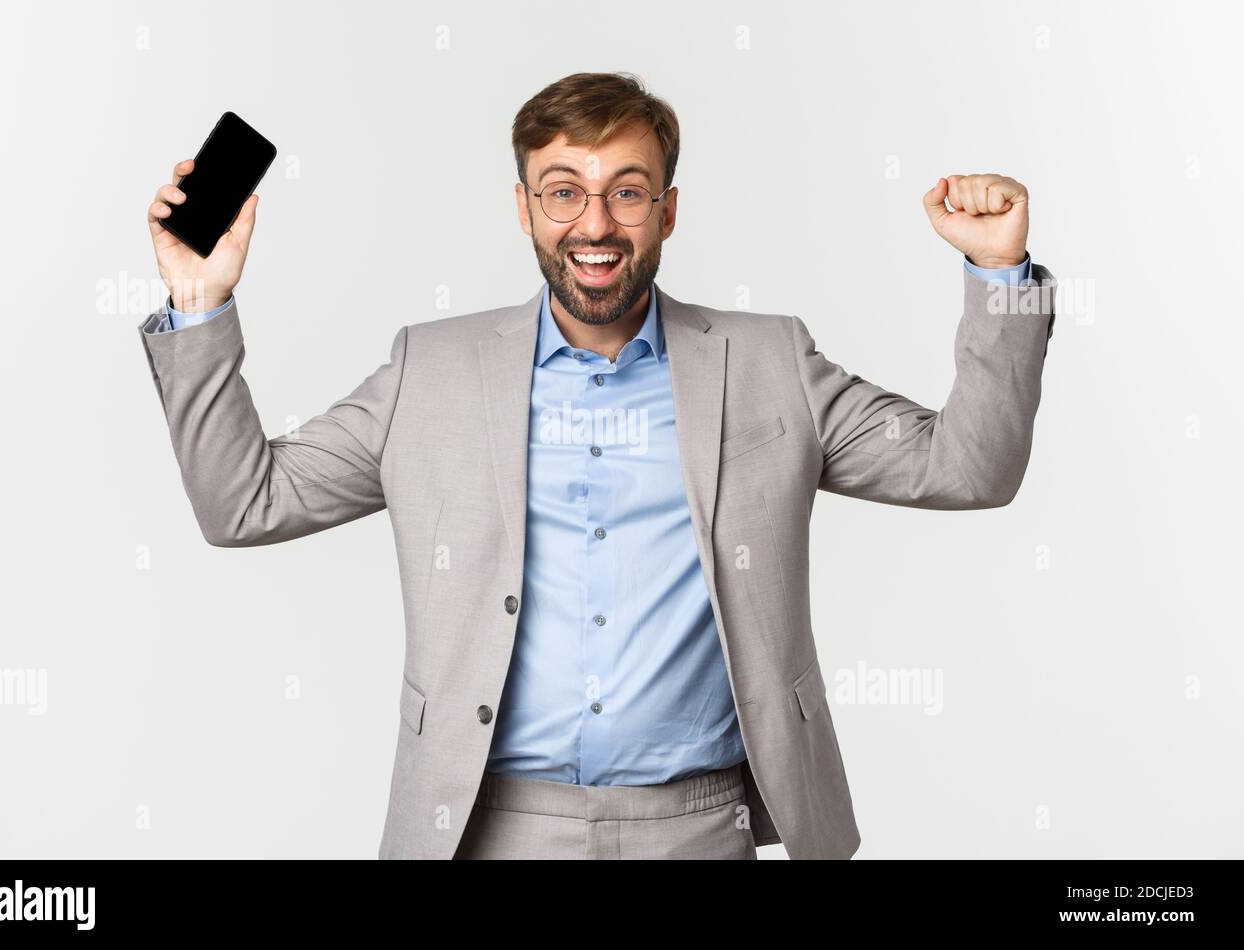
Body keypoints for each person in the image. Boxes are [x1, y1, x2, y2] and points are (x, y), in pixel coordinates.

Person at [139, 72, 1056, 860]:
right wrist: (199, 301)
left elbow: (969, 467)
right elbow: (241, 504)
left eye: (626, 190)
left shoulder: (770, 360)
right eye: (563, 190)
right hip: (493, 827)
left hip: (701, 824)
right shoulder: (430, 369)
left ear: (668, 208)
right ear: (524, 206)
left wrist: (998, 278)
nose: (595, 221)